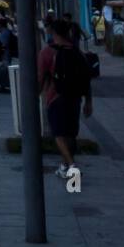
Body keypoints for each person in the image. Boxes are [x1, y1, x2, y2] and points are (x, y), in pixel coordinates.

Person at [38, 19, 93, 180]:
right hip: (75, 98)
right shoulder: (77, 52)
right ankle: (65, 167)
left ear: (52, 32)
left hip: (56, 98)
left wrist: (35, 95)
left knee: (59, 134)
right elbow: (86, 78)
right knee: (70, 134)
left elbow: (40, 78)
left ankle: (72, 166)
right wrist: (89, 102)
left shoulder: (47, 52)